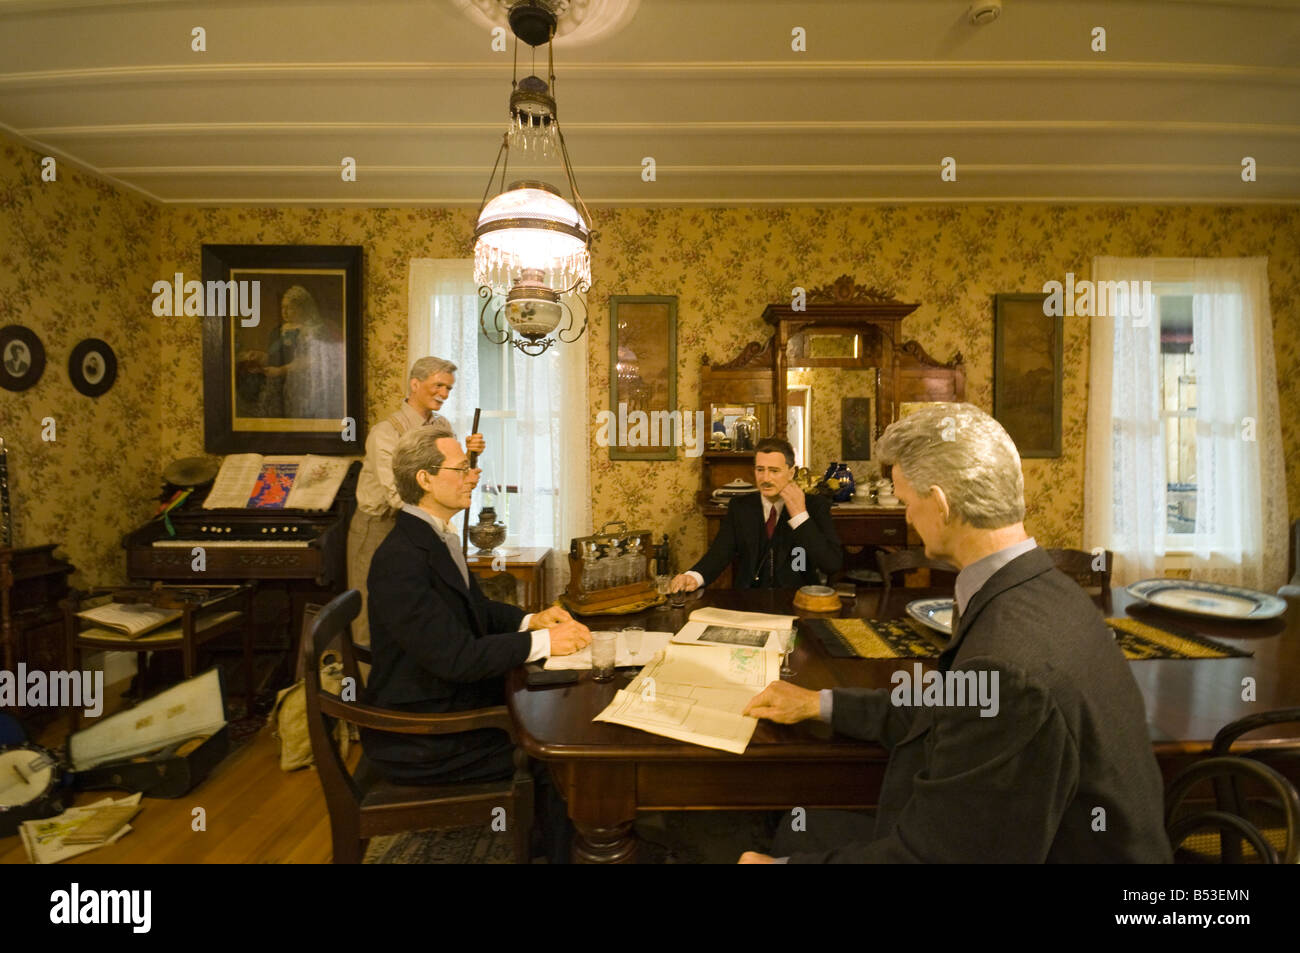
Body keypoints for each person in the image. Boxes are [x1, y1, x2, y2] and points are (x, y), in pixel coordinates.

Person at [738, 403, 1172, 863]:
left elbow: (936, 858)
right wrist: (819, 703)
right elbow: (949, 707)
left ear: (941, 504)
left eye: (907, 501)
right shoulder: (1051, 591)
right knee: (798, 827)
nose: (906, 518)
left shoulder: (1009, 665)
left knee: (788, 840)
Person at [363, 424, 591, 862]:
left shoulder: (432, 535)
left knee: (553, 705)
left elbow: (478, 610)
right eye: (463, 468)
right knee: (556, 749)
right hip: (424, 737)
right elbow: (457, 658)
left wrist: (530, 619)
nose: (473, 476)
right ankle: (560, 849)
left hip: (443, 702)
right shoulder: (400, 559)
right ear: (425, 479)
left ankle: (551, 838)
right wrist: (544, 642)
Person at [346, 356, 484, 645]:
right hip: (379, 526)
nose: (444, 394)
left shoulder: (441, 425)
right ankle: (371, 685)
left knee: (426, 605)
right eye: (438, 385)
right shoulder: (385, 433)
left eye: (449, 388)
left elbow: (446, 475)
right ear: (415, 384)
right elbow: (398, 495)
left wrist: (470, 456)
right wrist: (437, 513)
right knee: (370, 614)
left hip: (418, 523)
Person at [670, 436, 842, 592]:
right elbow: (719, 554)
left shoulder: (814, 506)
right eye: (760, 470)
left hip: (797, 600)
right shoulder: (740, 507)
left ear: (791, 472)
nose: (765, 478)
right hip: (749, 601)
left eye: (774, 471)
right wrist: (693, 576)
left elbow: (831, 564)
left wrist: (799, 516)